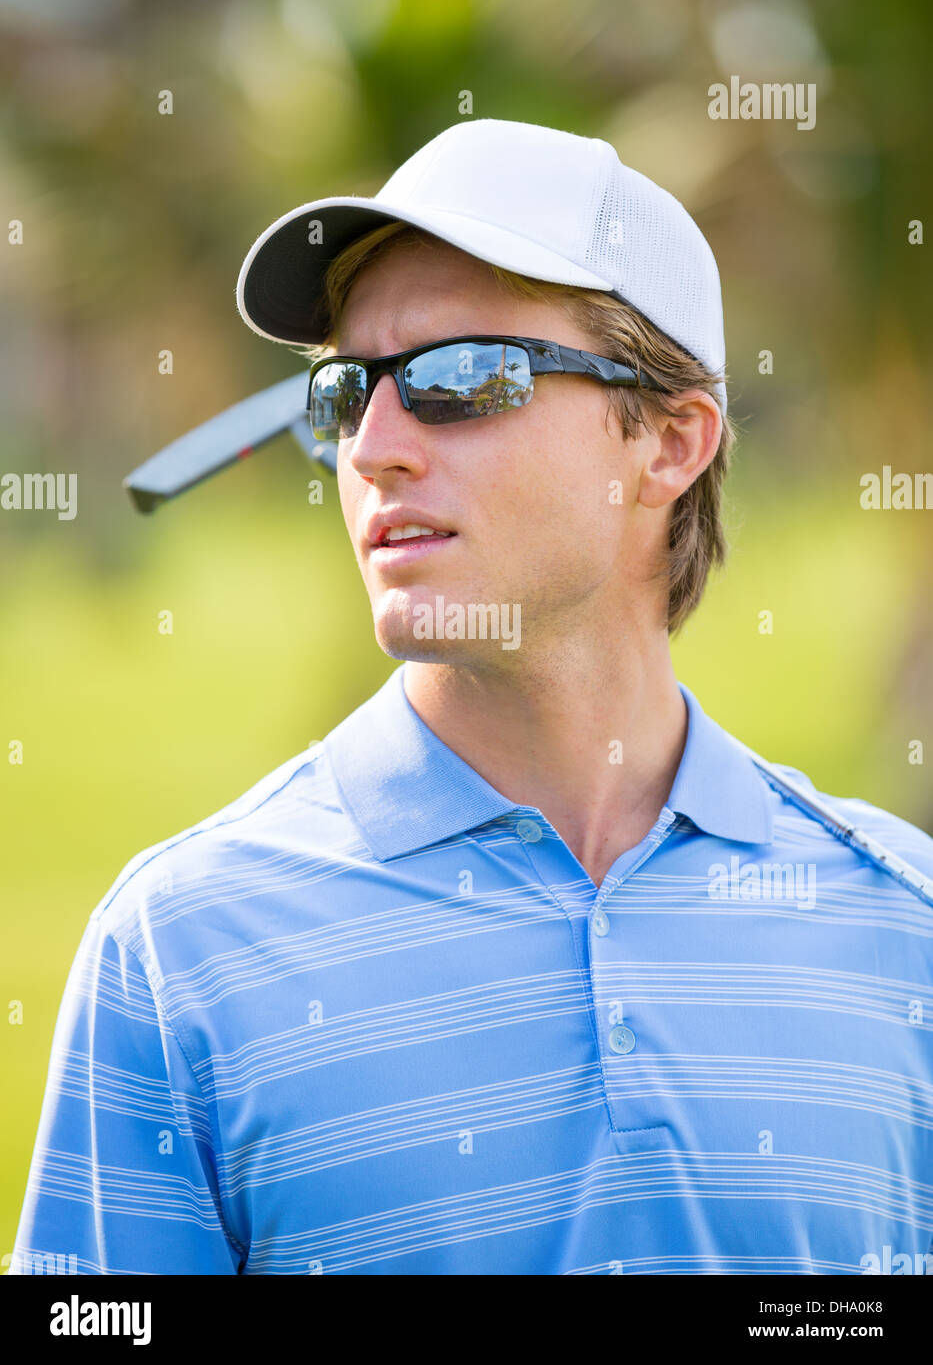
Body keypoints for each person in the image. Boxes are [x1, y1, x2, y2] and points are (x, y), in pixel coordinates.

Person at [12, 119, 933, 1276]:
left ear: (668, 443)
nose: (375, 446)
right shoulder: (178, 949)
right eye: (347, 391)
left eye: (459, 377)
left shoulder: (905, 929)